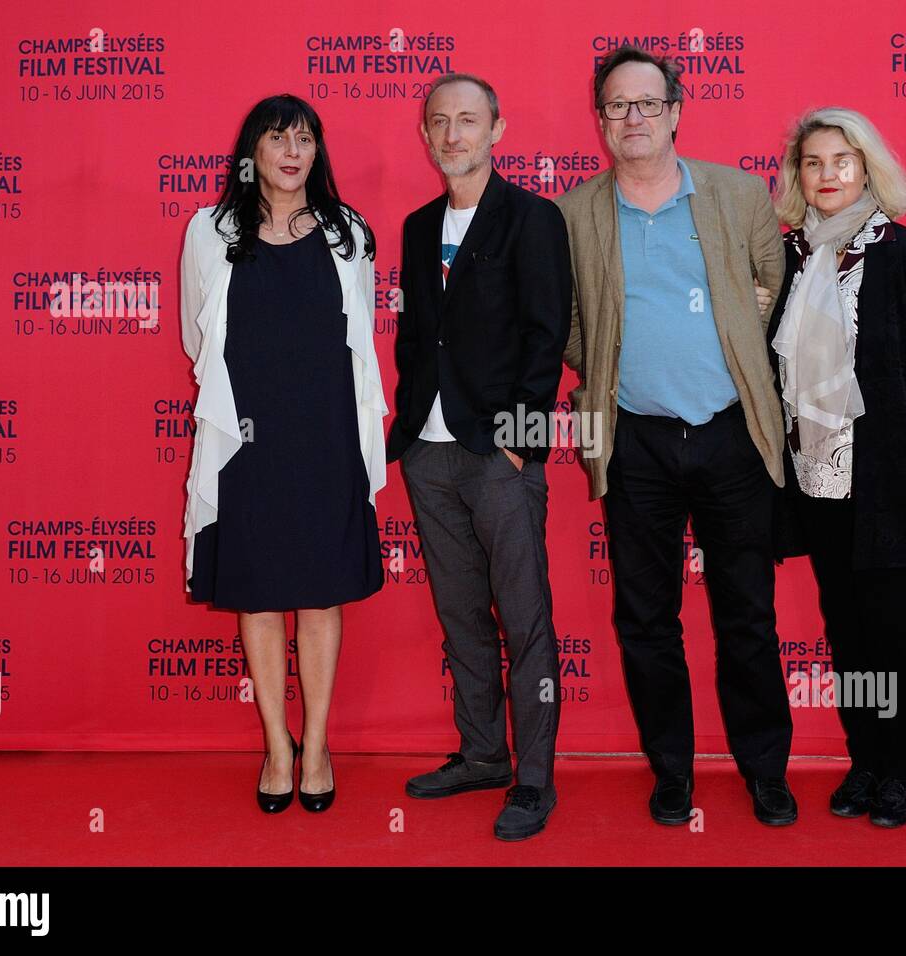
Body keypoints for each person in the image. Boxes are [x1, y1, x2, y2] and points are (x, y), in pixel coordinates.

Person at [555, 46, 795, 827]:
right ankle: (672, 772)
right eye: (618, 106)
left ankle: (766, 770)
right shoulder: (574, 213)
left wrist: (723, 341)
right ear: (600, 121)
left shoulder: (735, 193)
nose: (633, 118)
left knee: (748, 616)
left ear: (676, 113)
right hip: (636, 444)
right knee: (647, 619)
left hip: (733, 437)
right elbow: (568, 323)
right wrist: (619, 367)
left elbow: (770, 284)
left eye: (647, 104)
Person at [765, 107, 906, 827]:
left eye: (842, 161)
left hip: (893, 486)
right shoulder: (796, 256)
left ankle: (902, 771)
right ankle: (865, 762)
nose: (828, 175)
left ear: (867, 168)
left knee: (892, 636)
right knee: (849, 633)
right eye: (813, 163)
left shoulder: (902, 254)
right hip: (820, 482)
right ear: (798, 176)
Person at [179, 93, 388, 815]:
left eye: (305, 138)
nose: (293, 151)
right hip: (248, 440)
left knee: (321, 593)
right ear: (253, 153)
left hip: (327, 434)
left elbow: (359, 343)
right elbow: (196, 339)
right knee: (261, 594)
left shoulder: (348, 232)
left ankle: (319, 744)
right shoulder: (209, 231)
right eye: (278, 138)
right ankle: (277, 746)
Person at [387, 73, 572, 841]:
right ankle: (482, 754)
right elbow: (417, 337)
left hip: (500, 455)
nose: (453, 134)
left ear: (498, 127)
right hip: (427, 454)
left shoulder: (532, 220)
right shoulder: (416, 223)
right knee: (461, 615)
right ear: (426, 134)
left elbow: (546, 332)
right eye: (440, 122)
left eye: (468, 120)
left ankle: (534, 778)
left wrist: (522, 439)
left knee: (524, 620)